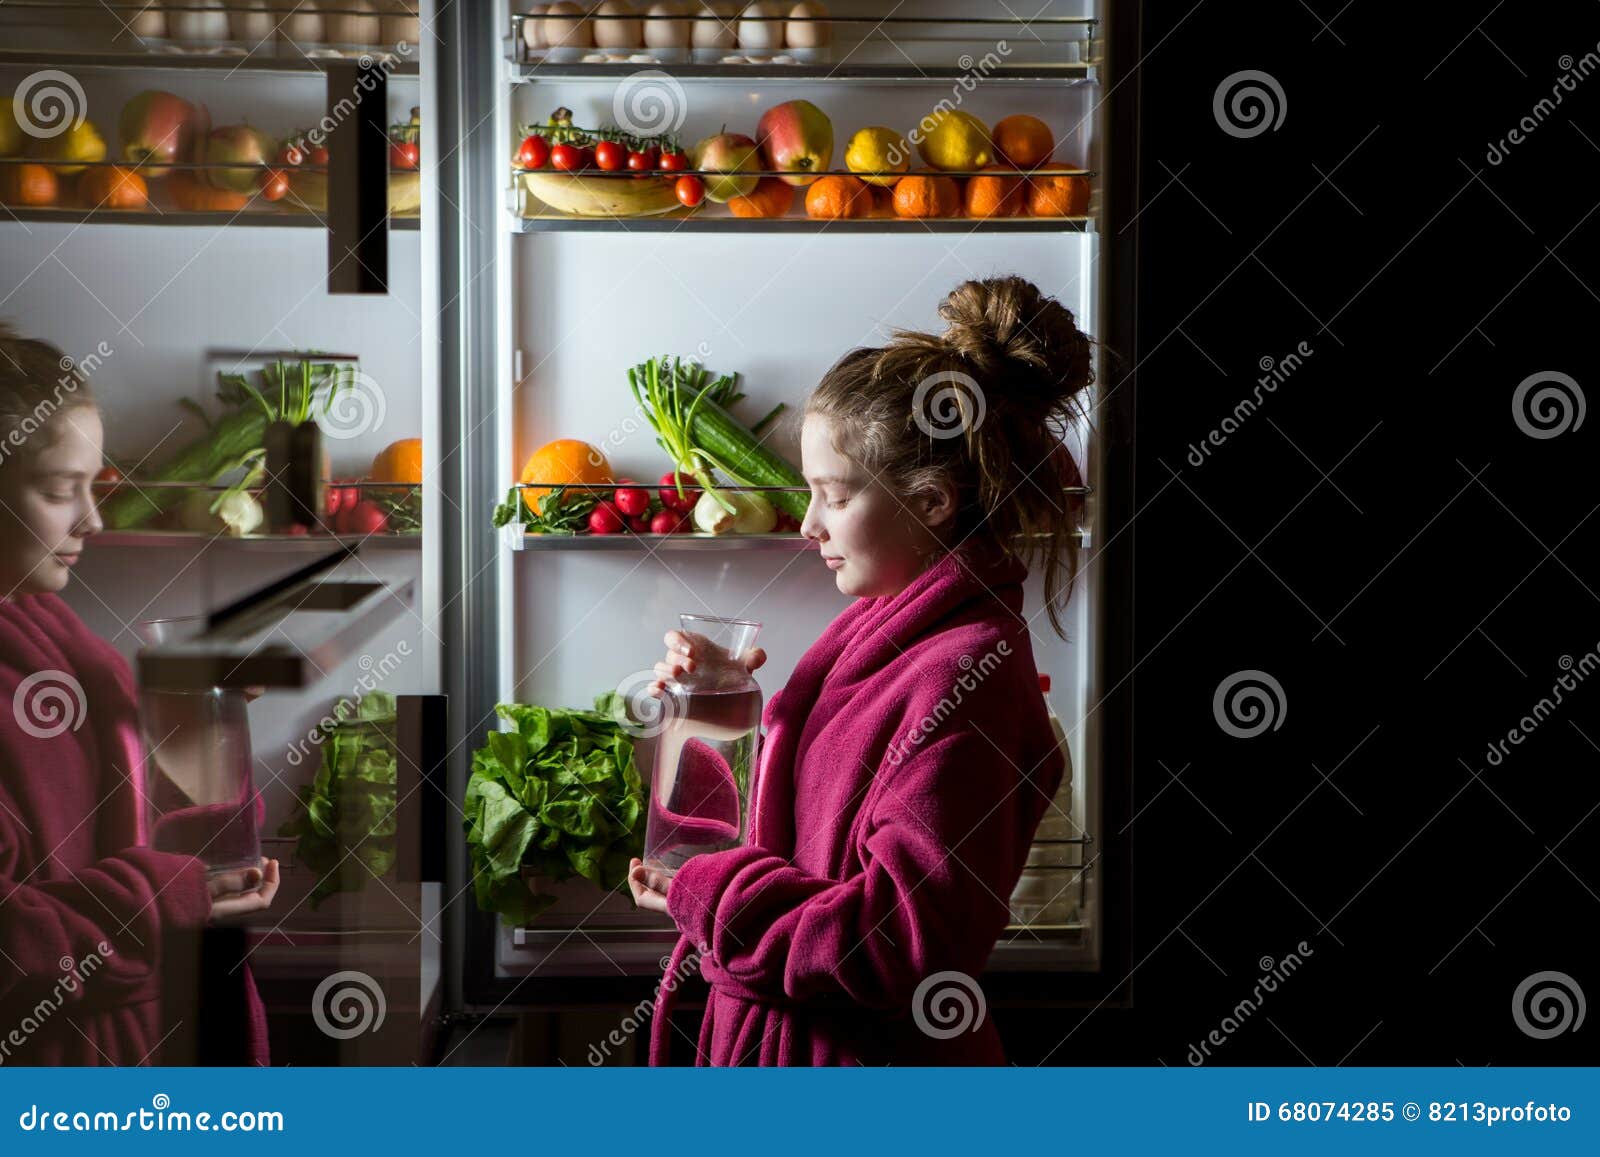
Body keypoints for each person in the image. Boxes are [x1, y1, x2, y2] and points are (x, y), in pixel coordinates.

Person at [630, 275, 1092, 1065]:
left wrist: (711, 892)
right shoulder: (889, 627)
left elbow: (896, 943)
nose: (808, 524)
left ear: (934, 501)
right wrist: (721, 704)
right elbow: (827, 825)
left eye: (832, 496)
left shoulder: (964, 676)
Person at [0, 322, 279, 1066]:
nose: (93, 519)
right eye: (63, 490)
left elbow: (127, 828)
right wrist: (175, 893)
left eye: (97, 484)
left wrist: (206, 720)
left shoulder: (46, 628)